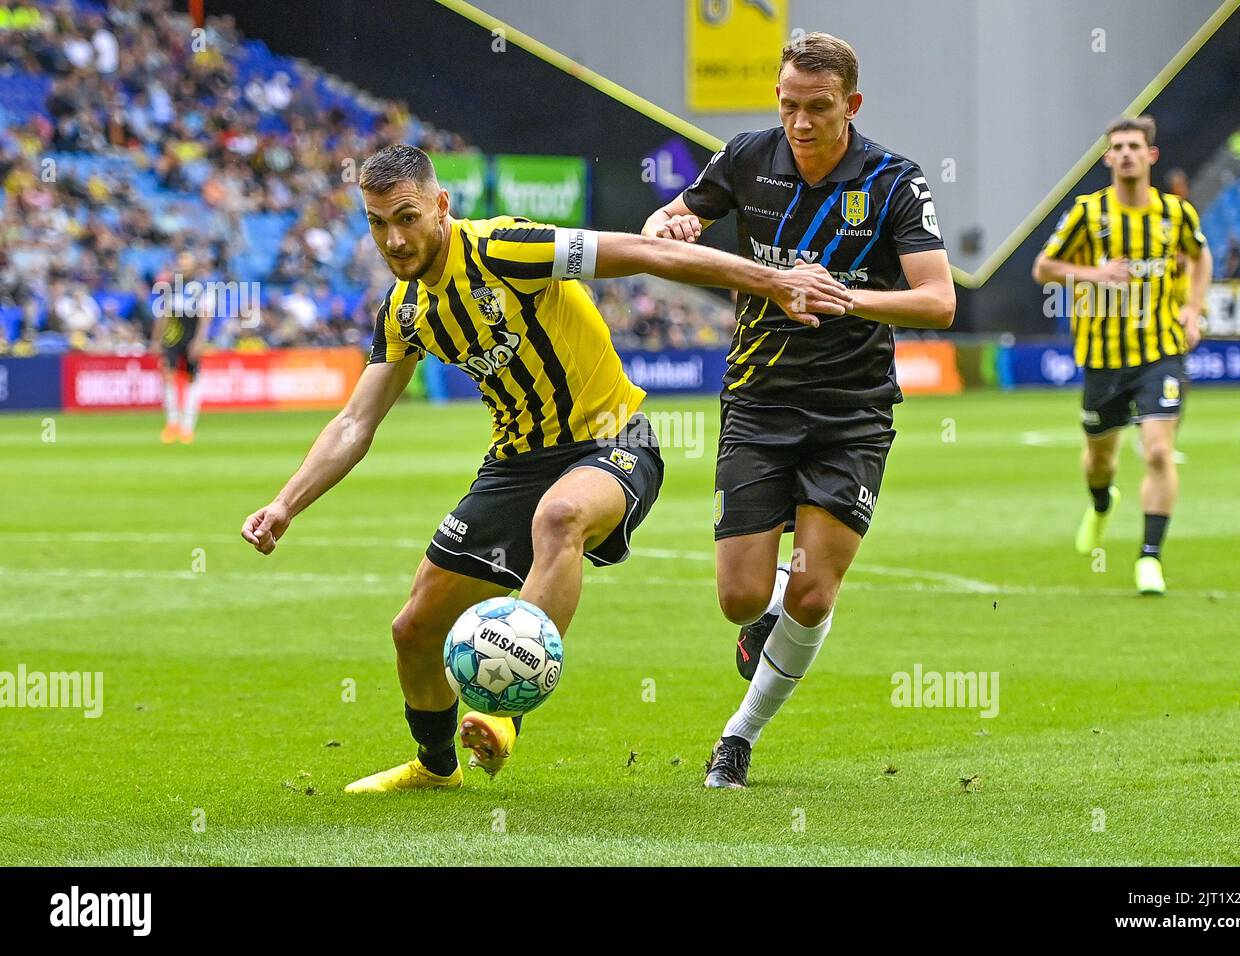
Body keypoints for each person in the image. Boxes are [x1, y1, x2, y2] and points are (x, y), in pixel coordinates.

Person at [240, 144, 852, 792]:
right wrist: (285, 504)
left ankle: (504, 718)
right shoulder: (405, 312)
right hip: (514, 465)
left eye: (407, 217)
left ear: (441, 206)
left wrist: (772, 281)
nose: (394, 239)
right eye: (378, 222)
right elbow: (353, 423)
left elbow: (644, 253)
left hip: (613, 440)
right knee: (414, 630)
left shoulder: (506, 248)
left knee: (560, 516)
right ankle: (436, 767)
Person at [642, 32, 955, 789]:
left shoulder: (893, 181)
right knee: (740, 597)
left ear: (852, 104)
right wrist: (668, 226)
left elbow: (938, 301)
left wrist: (844, 298)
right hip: (759, 401)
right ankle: (770, 605)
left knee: (813, 593)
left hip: (852, 413)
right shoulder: (747, 157)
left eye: (818, 108)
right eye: (789, 106)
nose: (801, 123)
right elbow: (662, 231)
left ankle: (738, 736)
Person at [1033, 115, 1212, 596]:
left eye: (1135, 146)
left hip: (1161, 351)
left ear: (1151, 155)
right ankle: (1100, 503)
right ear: (1108, 158)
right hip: (1103, 357)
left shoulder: (1175, 213)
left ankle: (1150, 557)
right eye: (1119, 147)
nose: (1127, 154)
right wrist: (1095, 274)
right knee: (1100, 460)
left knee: (1158, 450)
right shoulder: (1088, 213)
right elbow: (1043, 268)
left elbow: (1200, 256)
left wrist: (1194, 309)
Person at [150, 252, 211, 444]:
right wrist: (156, 340)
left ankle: (187, 426)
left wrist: (199, 340)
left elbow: (205, 316)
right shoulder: (171, 288)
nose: (183, 267)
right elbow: (163, 315)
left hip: (191, 335)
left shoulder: (201, 288)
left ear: (194, 266)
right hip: (173, 335)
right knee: (168, 375)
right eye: (181, 263)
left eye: (187, 263)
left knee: (192, 379)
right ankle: (172, 423)